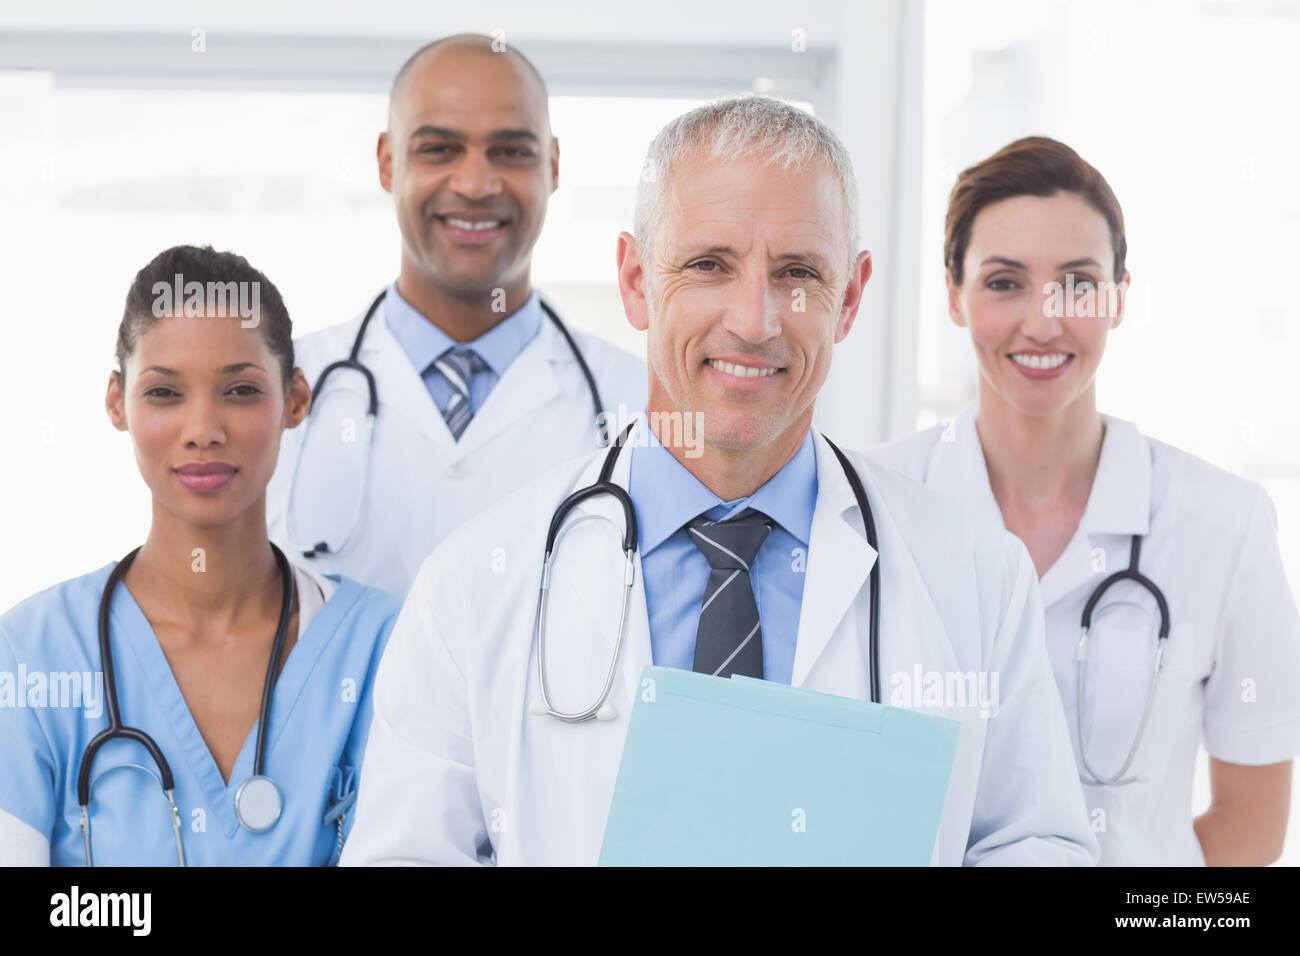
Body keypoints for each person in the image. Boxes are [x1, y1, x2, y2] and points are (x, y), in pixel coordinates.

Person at [340, 97, 1098, 866]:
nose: (754, 319)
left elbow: (1037, 842)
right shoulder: (473, 585)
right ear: (636, 282)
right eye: (709, 265)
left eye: (798, 272)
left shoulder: (972, 572)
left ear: (850, 298)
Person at [870, 136, 1300, 865]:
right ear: (953, 293)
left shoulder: (1224, 523)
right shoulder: (874, 504)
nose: (1043, 321)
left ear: (1120, 297)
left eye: (1077, 282)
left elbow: (1251, 827)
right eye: (1004, 282)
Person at [0, 245, 400, 866]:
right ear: (117, 402)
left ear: (296, 399)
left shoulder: (386, 646)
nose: (203, 428)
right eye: (164, 393)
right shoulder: (32, 656)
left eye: (240, 390)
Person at [266, 34, 646, 597]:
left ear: (554, 165)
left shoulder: (640, 404)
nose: (475, 185)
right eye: (439, 149)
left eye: (511, 151)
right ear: (387, 162)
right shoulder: (276, 392)